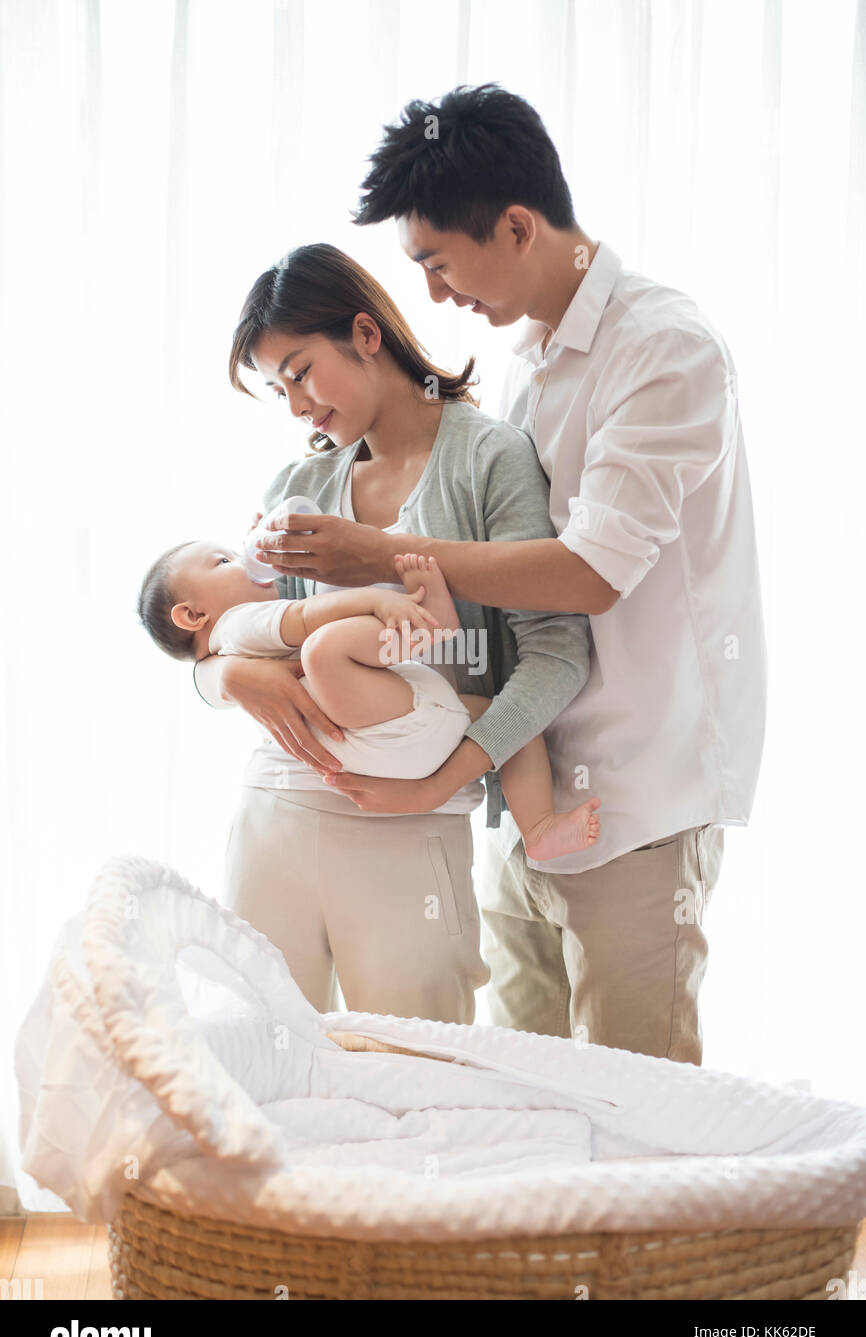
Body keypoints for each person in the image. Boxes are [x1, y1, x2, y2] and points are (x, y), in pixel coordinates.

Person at [256, 84, 768, 1066]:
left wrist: (378, 556)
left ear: (518, 226)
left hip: (637, 793)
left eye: (438, 263)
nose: (435, 294)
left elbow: (590, 575)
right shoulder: (529, 360)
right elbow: (494, 600)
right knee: (521, 1094)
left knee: (636, 1101)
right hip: (525, 781)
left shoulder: (662, 347)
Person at [191, 241, 592, 1026]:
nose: (296, 405)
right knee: (258, 1058)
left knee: (419, 1069)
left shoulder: (487, 458)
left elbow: (557, 654)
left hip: (413, 826)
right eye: (278, 389)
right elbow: (216, 627)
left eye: (301, 372)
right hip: (278, 807)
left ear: (366, 334)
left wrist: (445, 780)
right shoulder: (298, 488)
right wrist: (228, 676)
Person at [137, 538, 600, 860]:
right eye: (222, 561)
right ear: (192, 615)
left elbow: (212, 681)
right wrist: (374, 601)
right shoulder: (238, 623)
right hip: (402, 731)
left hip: (379, 761)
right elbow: (305, 614)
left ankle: (538, 831)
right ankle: (429, 627)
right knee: (324, 649)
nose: (242, 560)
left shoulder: (229, 658)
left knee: (506, 722)